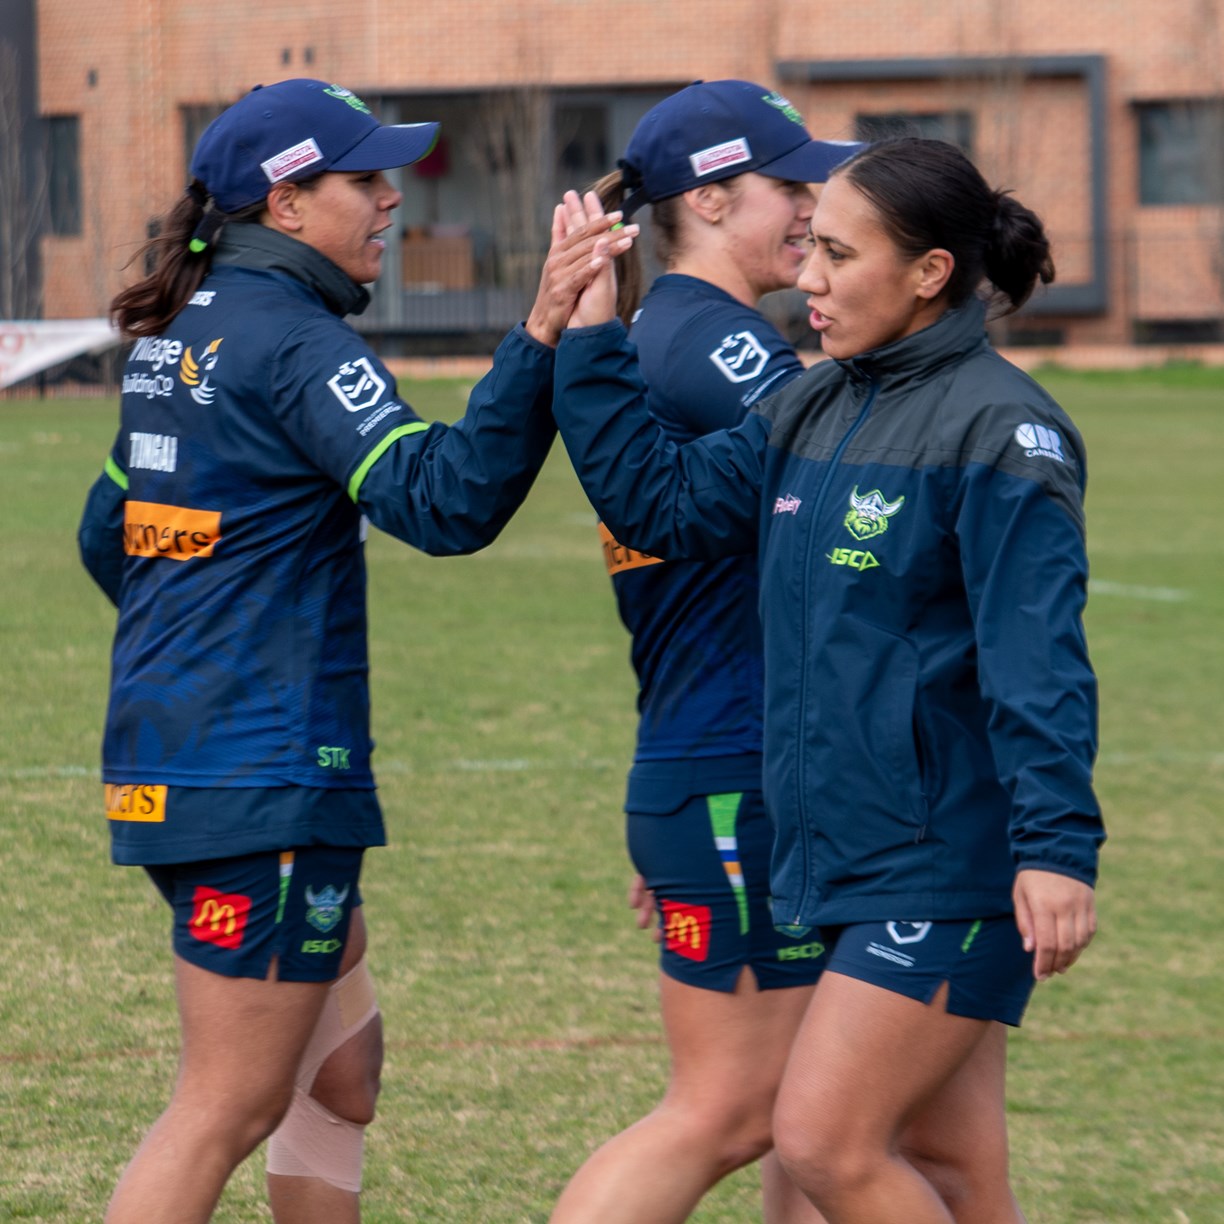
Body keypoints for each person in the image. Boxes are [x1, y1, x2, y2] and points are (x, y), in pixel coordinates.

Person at [77, 78, 635, 1224]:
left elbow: (106, 532)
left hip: (181, 764)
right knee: (224, 1105)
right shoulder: (297, 343)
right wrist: (537, 336)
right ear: (286, 205)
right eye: (365, 179)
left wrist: (196, 639)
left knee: (341, 1077)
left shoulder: (186, 332)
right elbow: (445, 502)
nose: (391, 199)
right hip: (264, 781)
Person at [548, 137, 1105, 1223]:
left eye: (838, 255)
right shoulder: (813, 405)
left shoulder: (1004, 430)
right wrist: (590, 333)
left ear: (929, 273)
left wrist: (1055, 850)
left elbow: (1037, 662)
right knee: (949, 1166)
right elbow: (661, 506)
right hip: (835, 849)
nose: (807, 278)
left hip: (943, 854)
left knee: (821, 1139)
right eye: (808, 250)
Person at [548, 80, 861, 1224]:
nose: (814, 205)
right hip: (733, 769)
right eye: (792, 184)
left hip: (722, 769)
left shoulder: (687, 334)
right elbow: (847, 490)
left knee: (817, 1115)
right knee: (729, 1108)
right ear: (713, 197)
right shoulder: (711, 340)